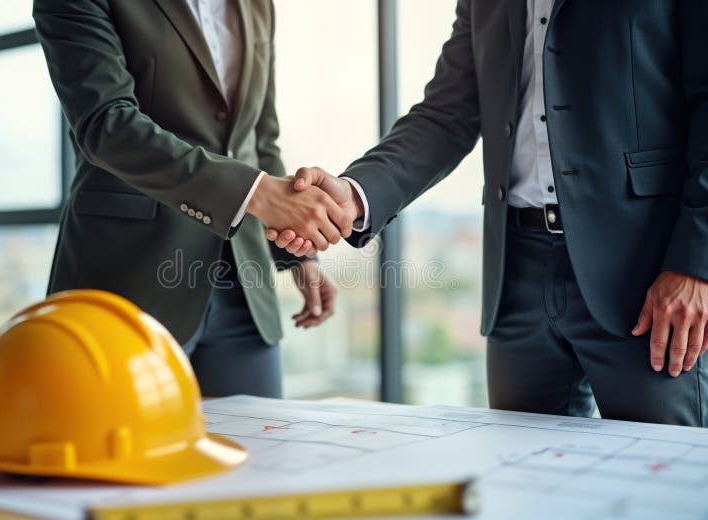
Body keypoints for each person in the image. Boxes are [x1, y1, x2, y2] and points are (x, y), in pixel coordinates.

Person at [269, 0, 708, 425]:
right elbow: (446, 114)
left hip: (647, 275)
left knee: (664, 480)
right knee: (521, 483)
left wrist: (697, 265)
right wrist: (355, 194)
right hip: (516, 274)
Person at [33, 0, 351, 398]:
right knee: (122, 455)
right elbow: (107, 124)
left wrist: (297, 255)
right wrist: (253, 192)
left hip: (244, 284)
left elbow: (259, 140)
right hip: (130, 276)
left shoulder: (259, 5)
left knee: (260, 454)